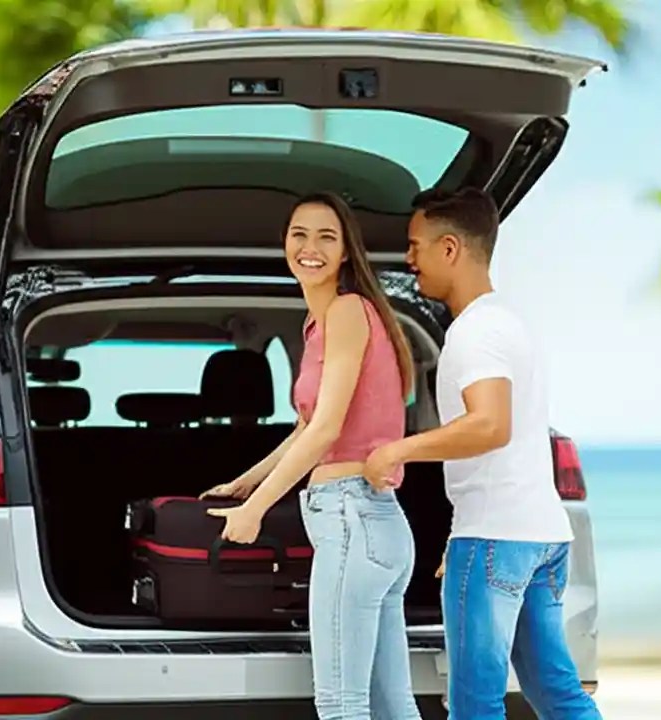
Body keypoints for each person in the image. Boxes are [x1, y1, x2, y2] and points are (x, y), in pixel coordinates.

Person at [363, 188, 602, 719]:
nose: (409, 260)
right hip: (540, 536)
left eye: (415, 245)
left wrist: (398, 448)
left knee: (475, 705)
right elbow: (509, 445)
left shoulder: (475, 333)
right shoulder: (508, 321)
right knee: (559, 695)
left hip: (496, 540)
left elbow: (490, 425)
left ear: (450, 248)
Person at [200, 192, 422, 720]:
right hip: (379, 525)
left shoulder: (347, 311)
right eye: (299, 234)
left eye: (327, 236)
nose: (310, 247)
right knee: (392, 706)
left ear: (346, 252)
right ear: (284, 244)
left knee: (341, 705)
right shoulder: (322, 322)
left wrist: (255, 512)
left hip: (351, 521)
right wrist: (247, 483)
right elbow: (305, 426)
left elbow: (325, 431)